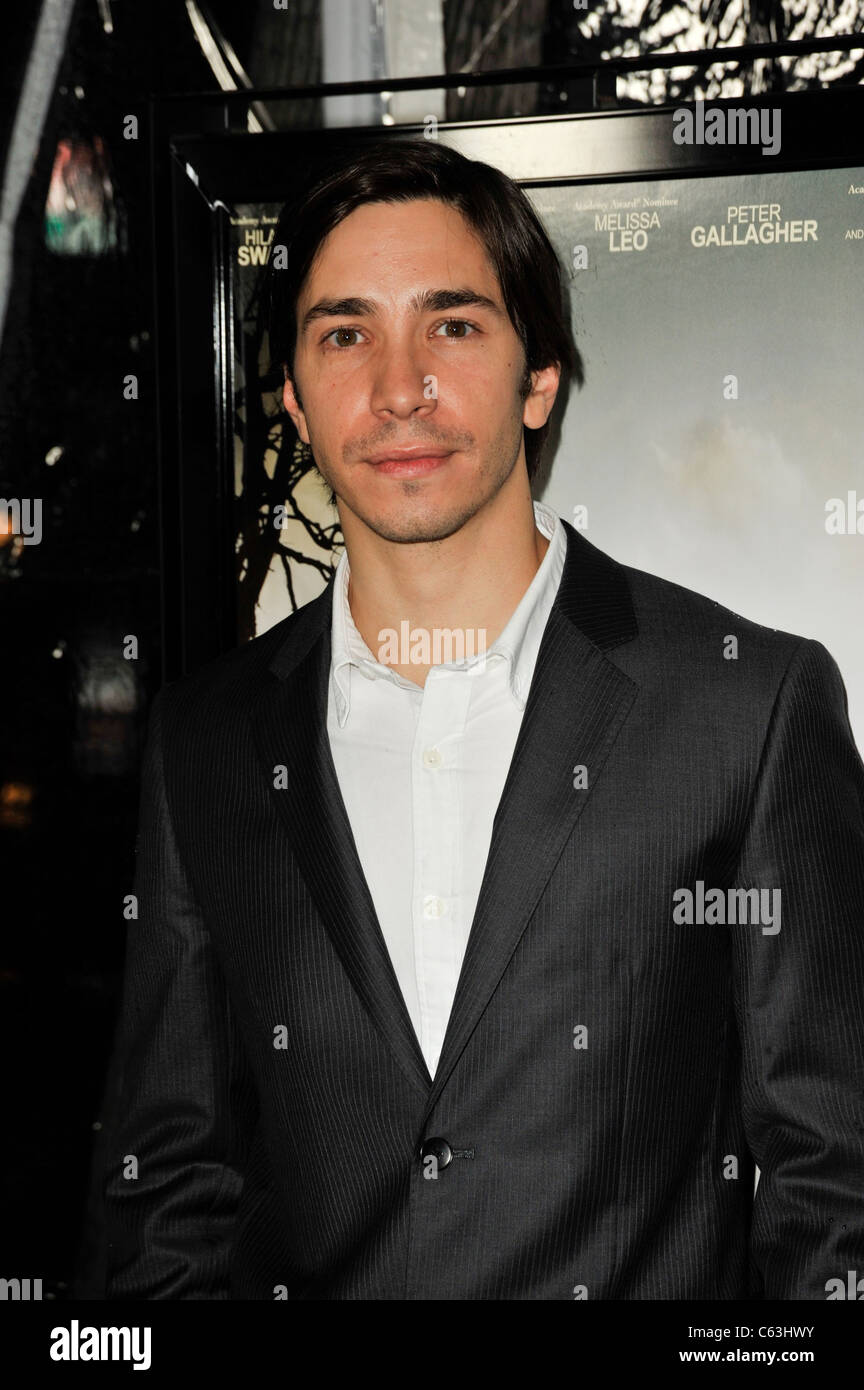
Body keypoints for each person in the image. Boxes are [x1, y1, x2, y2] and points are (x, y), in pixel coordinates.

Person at [103, 138, 864, 1300]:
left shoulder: (746, 706)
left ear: (540, 373)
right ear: (297, 402)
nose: (398, 384)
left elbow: (836, 1188)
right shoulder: (205, 743)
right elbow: (166, 1191)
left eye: (452, 325)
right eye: (345, 333)